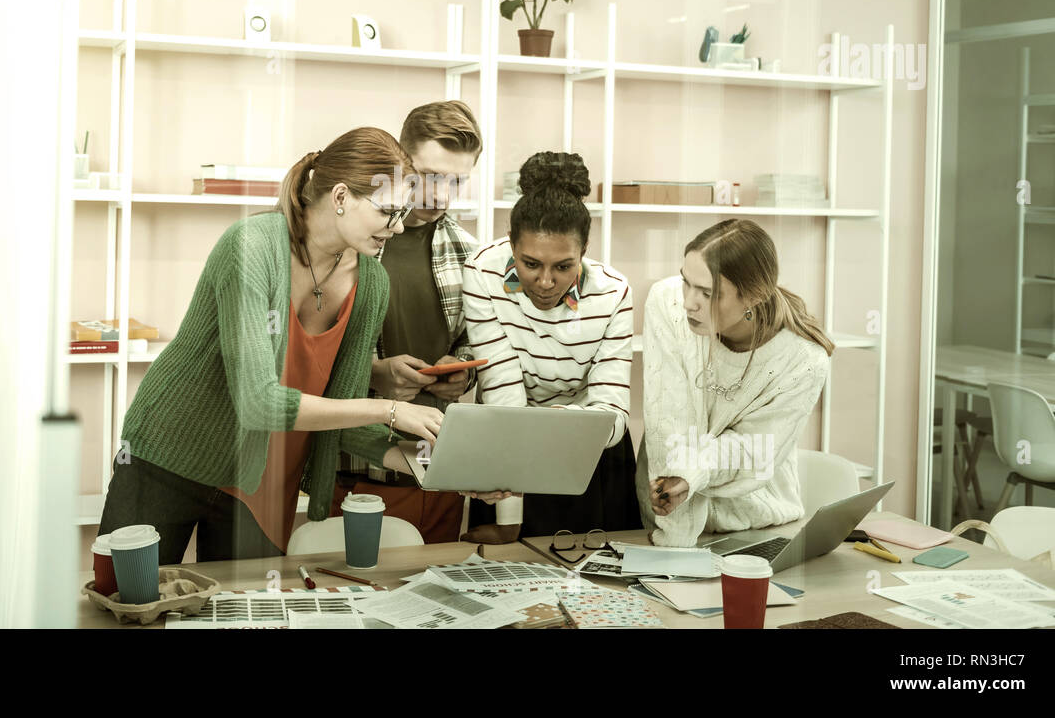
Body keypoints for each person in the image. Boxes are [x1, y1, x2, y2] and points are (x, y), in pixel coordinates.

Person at [97, 127, 442, 563]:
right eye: (387, 212)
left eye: (403, 213)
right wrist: (390, 409)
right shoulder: (251, 248)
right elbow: (258, 402)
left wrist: (432, 464)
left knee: (245, 614)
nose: (396, 228)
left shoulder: (371, 283)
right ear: (340, 197)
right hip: (171, 458)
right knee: (127, 604)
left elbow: (346, 415)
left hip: (262, 480)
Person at [462, 151, 640, 540]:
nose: (545, 281)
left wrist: (564, 428)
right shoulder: (482, 273)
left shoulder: (613, 292)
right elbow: (502, 387)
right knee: (504, 576)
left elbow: (611, 407)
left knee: (597, 575)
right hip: (509, 436)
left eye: (563, 266)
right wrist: (510, 518)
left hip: (590, 447)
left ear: (585, 250)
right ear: (510, 244)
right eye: (530, 264)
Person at [332, 101, 483, 542]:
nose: (440, 195)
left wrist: (460, 372)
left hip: (440, 467)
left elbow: (476, 342)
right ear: (399, 159)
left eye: (456, 181)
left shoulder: (469, 252)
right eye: (429, 176)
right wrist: (377, 374)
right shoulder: (351, 242)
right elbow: (310, 356)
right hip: (356, 467)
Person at [638, 218, 834, 547]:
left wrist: (690, 474)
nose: (688, 301)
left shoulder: (804, 360)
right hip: (667, 523)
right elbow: (668, 423)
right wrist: (674, 540)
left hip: (756, 528)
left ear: (753, 298)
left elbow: (753, 451)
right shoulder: (667, 303)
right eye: (687, 282)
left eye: (708, 293)